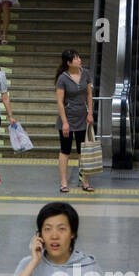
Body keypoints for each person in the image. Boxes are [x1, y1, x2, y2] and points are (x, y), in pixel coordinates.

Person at [54, 49, 94, 194]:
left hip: (83, 117)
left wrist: (90, 112)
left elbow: (89, 95)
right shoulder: (62, 78)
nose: (79, 60)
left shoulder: (86, 73)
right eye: (75, 59)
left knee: (83, 150)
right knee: (65, 150)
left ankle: (85, 180)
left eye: (79, 57)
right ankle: (64, 182)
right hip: (67, 117)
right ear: (69, 63)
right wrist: (65, 122)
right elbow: (59, 102)